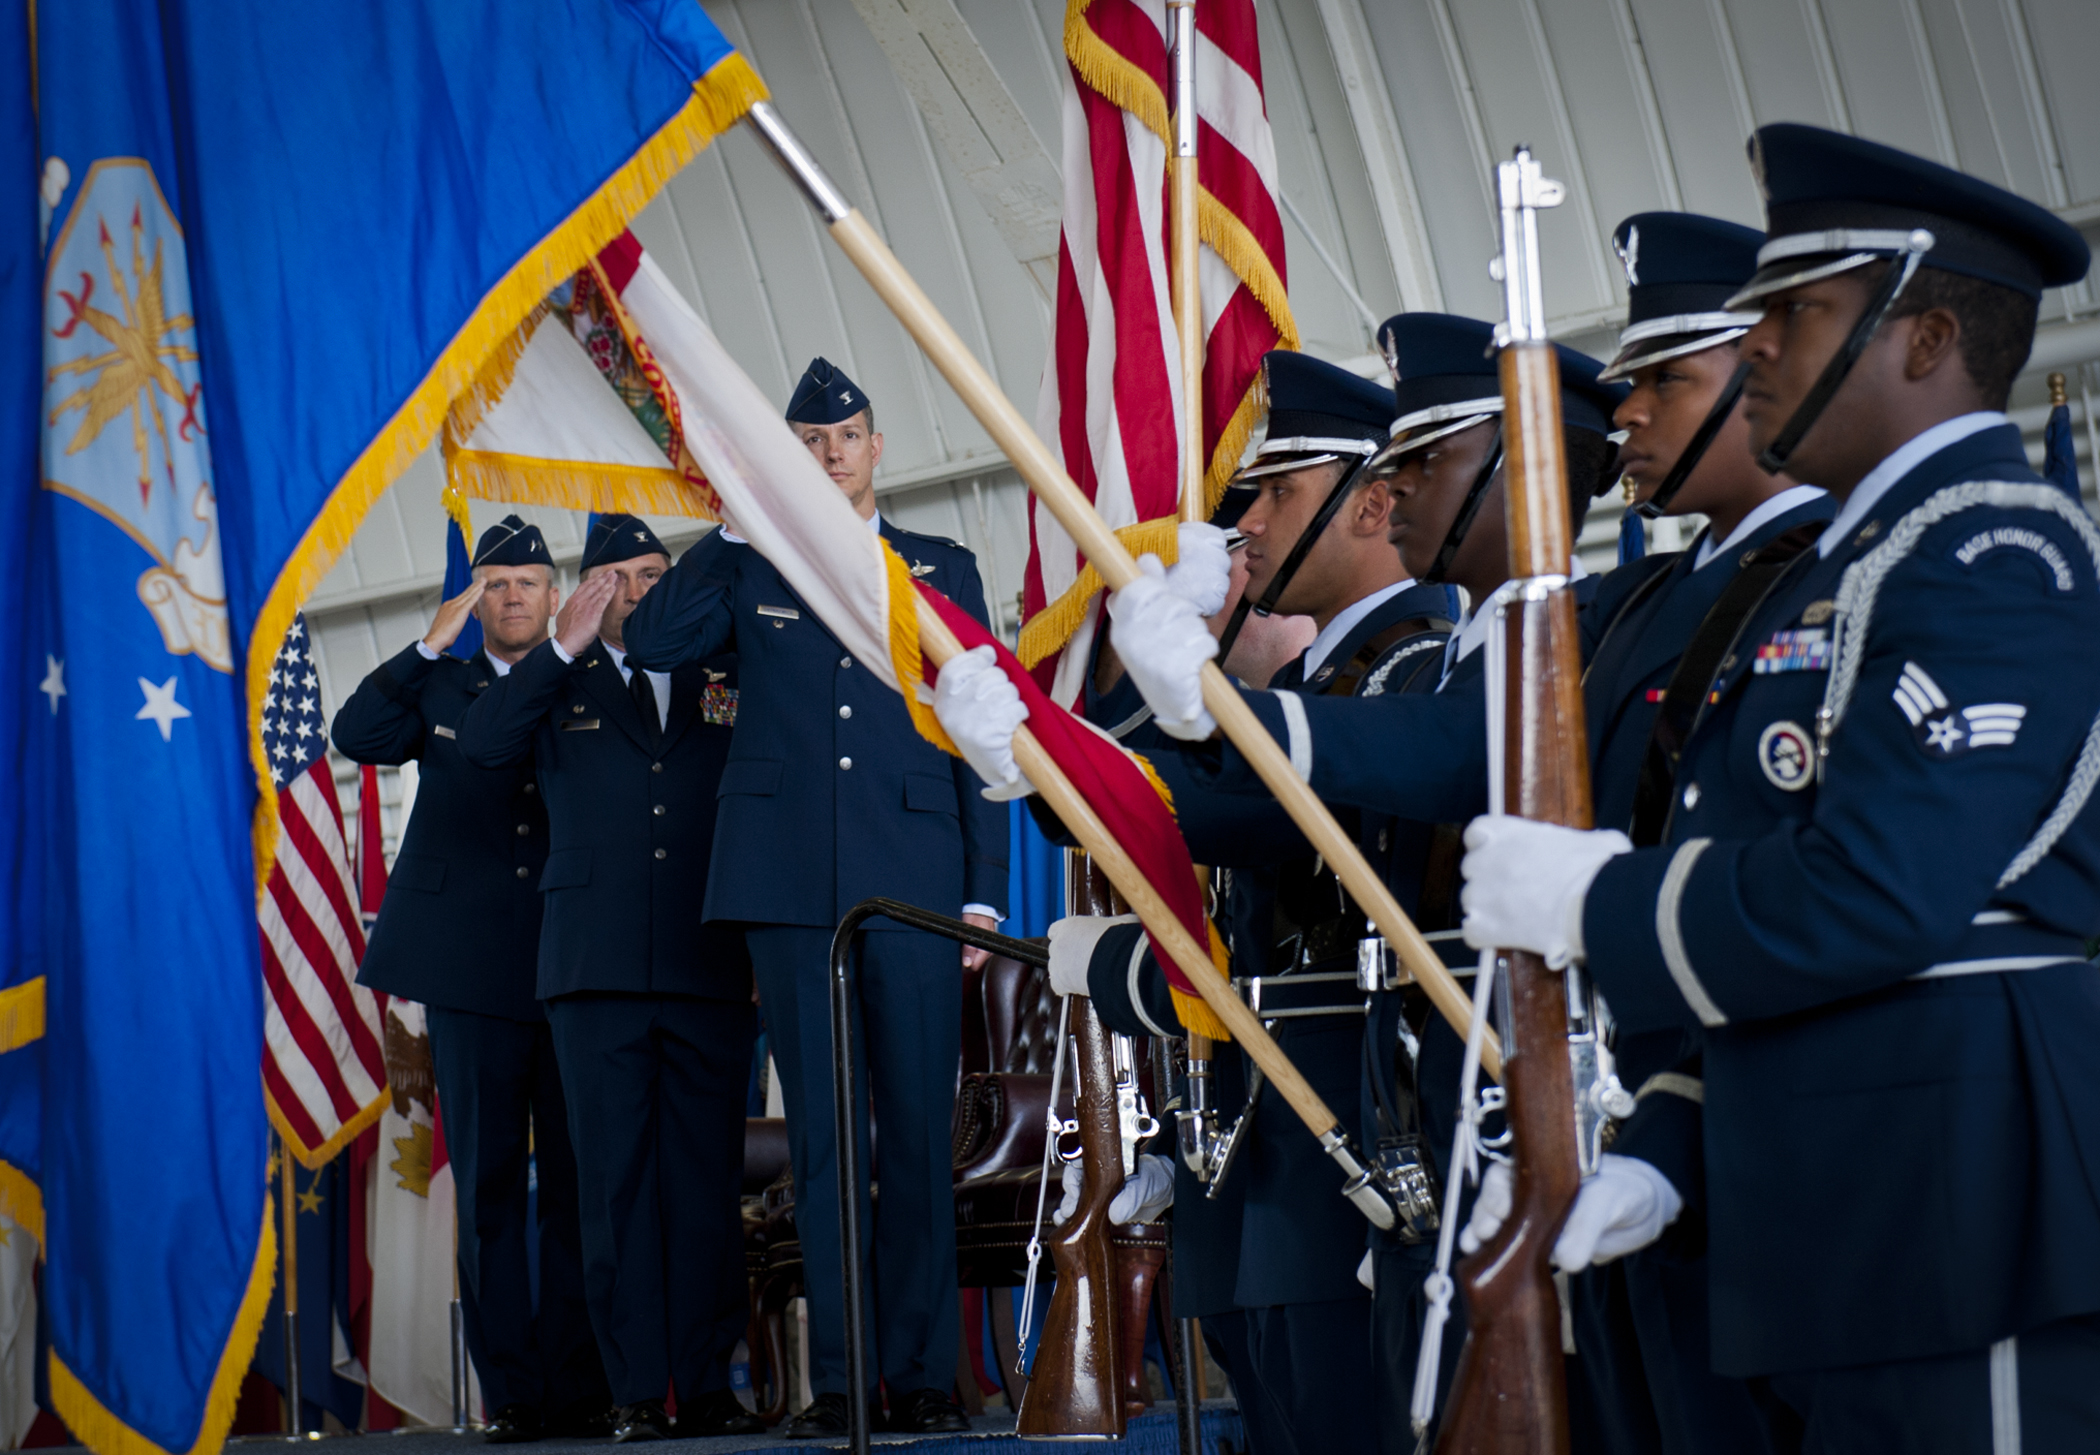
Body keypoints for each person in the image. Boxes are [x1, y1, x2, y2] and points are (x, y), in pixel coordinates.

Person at [1459, 124, 2100, 1450]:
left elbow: (1877, 892)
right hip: (1849, 1212)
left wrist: (1602, 902)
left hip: (1966, 1212)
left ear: (1924, 340)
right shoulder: (1845, 569)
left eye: (1794, 313)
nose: (1753, 344)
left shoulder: (1994, 549)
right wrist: (1670, 1139)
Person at [620, 358, 1008, 1438]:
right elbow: (652, 644)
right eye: (807, 443)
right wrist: (740, 524)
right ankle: (844, 1379)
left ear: (878, 449)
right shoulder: (753, 566)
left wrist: (983, 895)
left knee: (920, 1135)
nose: (828, 456)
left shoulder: (940, 566)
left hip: (920, 883)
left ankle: (927, 1375)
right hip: (791, 890)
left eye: (845, 439)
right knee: (826, 1143)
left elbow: (983, 727)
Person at [457, 514, 758, 1442]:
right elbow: (481, 746)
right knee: (613, 1187)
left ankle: (709, 1383)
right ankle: (631, 1388)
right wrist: (558, 645)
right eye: (619, 576)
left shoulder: (723, 668)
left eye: (654, 572)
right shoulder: (560, 675)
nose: (639, 589)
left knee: (706, 1184)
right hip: (593, 972)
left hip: (708, 961)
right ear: (590, 589)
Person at [332, 516, 610, 1442]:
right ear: (475, 597)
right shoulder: (441, 680)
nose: (514, 596)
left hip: (567, 960)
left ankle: (579, 1383)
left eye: (529, 581)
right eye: (496, 584)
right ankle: (517, 1390)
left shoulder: (583, 671)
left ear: (555, 591)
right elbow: (357, 730)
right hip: (465, 966)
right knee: (488, 1185)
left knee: (575, 1183)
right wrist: (422, 645)